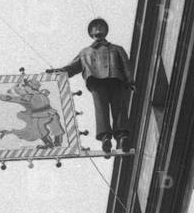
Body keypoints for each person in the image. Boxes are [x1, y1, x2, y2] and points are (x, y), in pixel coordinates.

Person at [48, 18, 134, 155]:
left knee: (119, 107)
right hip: (96, 81)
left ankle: (122, 136)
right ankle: (105, 138)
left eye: (101, 26)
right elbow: (72, 67)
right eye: (95, 26)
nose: (98, 28)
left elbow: (126, 64)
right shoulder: (85, 52)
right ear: (91, 32)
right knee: (101, 108)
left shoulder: (116, 48)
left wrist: (130, 80)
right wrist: (58, 72)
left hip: (115, 78)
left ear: (106, 30)